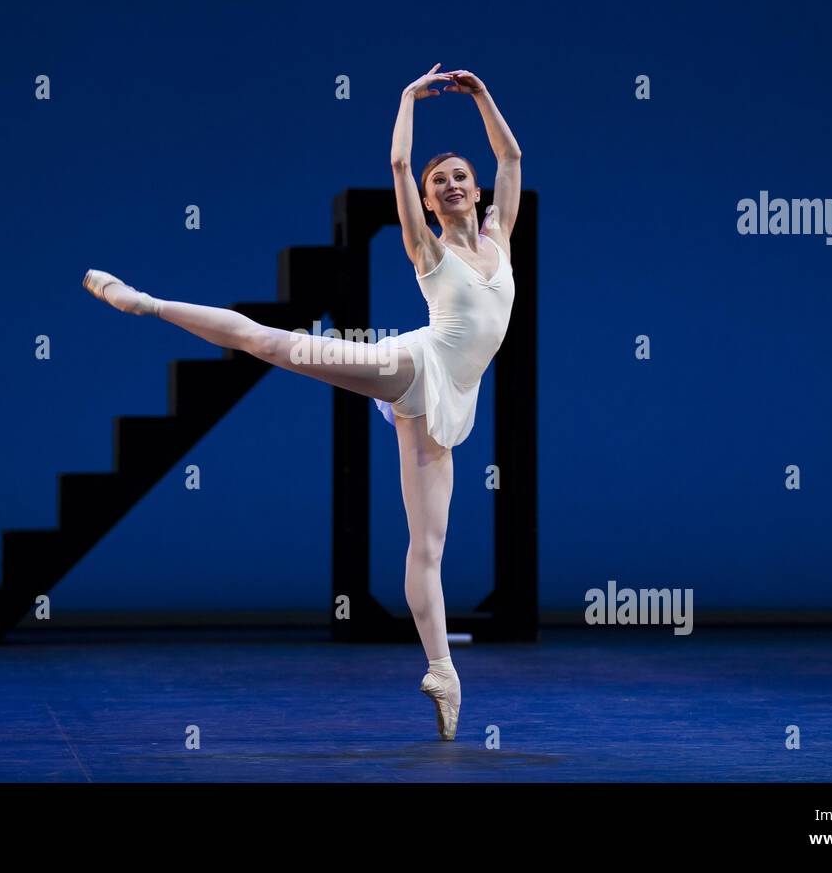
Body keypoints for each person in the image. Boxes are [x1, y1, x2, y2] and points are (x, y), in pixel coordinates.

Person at [83, 64, 522, 741]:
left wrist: (481, 94)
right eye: (442, 182)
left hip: (447, 400)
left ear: (476, 188)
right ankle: (147, 302)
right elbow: (400, 161)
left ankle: (443, 671)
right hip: (413, 363)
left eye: (461, 175)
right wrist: (408, 96)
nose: (453, 184)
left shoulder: (499, 237)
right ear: (430, 203)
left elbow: (512, 154)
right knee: (274, 344)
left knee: (428, 546)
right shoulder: (427, 247)